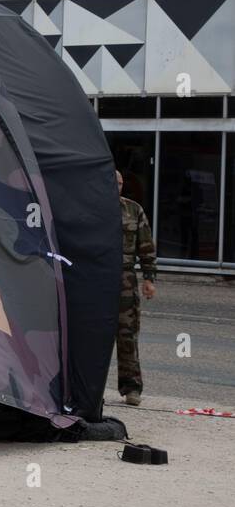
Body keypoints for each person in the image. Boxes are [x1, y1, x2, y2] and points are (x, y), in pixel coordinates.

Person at [116, 170, 157, 406]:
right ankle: (91, 389)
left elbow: (146, 246)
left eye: (120, 183)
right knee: (94, 337)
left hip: (126, 280)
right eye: (113, 182)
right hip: (98, 281)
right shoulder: (93, 208)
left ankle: (132, 388)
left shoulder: (133, 209)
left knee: (127, 335)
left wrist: (149, 279)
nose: (117, 186)